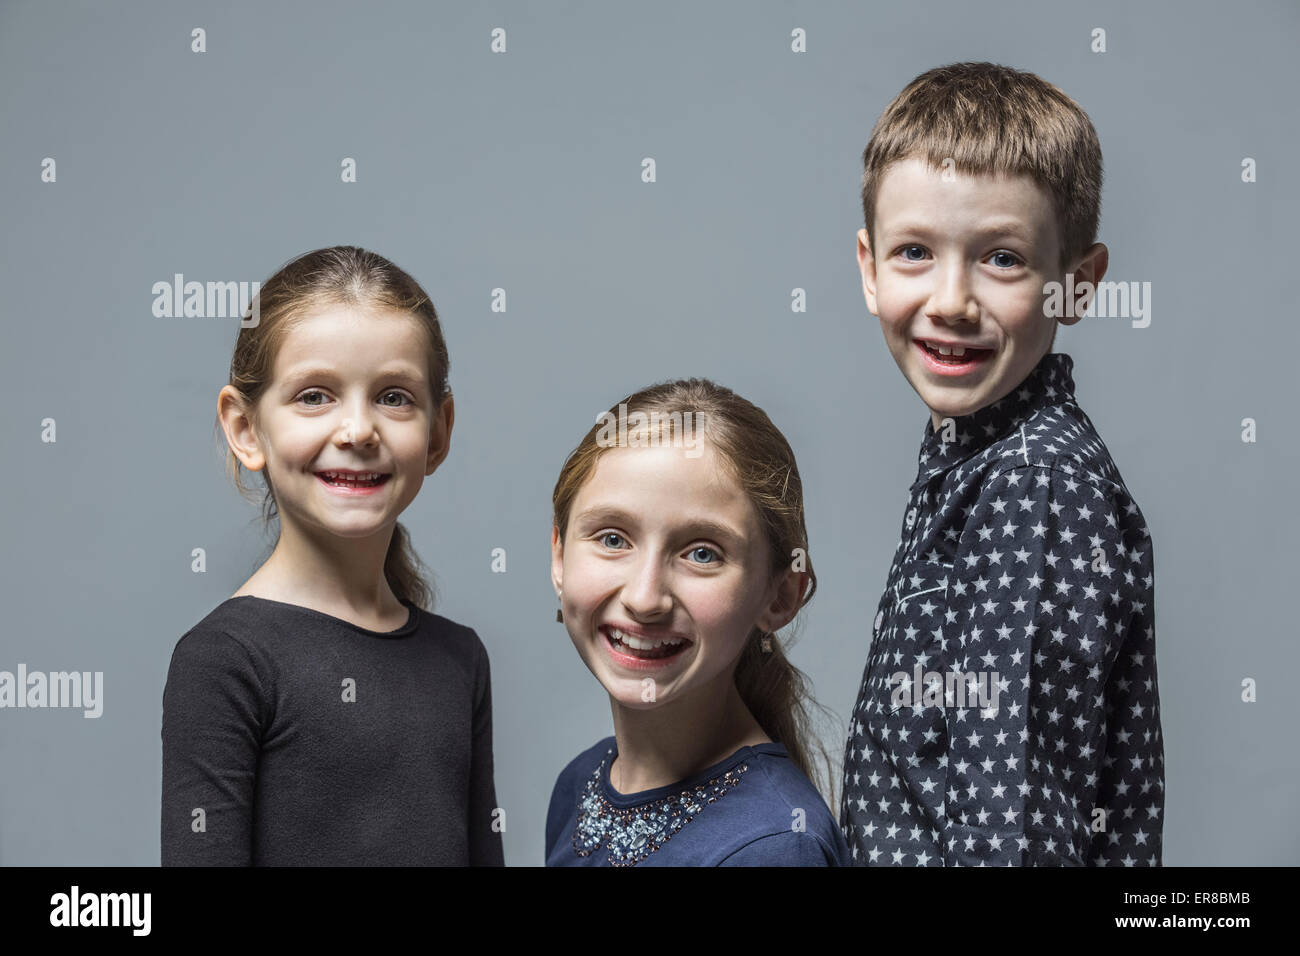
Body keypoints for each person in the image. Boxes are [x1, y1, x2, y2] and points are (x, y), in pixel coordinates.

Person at [841, 62, 1164, 866]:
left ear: (1077, 285)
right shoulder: (976, 461)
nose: (951, 299)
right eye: (915, 251)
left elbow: (1012, 818)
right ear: (869, 268)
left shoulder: (1035, 480)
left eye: (1003, 260)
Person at [161, 246, 503, 866]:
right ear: (245, 429)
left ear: (439, 431)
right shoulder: (224, 662)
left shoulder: (461, 661)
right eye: (315, 395)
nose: (358, 430)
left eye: (394, 397)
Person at [544, 379, 849, 866]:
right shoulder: (579, 785)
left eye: (702, 553)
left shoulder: (775, 848)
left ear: (780, 594)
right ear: (560, 557)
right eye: (612, 539)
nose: (645, 598)